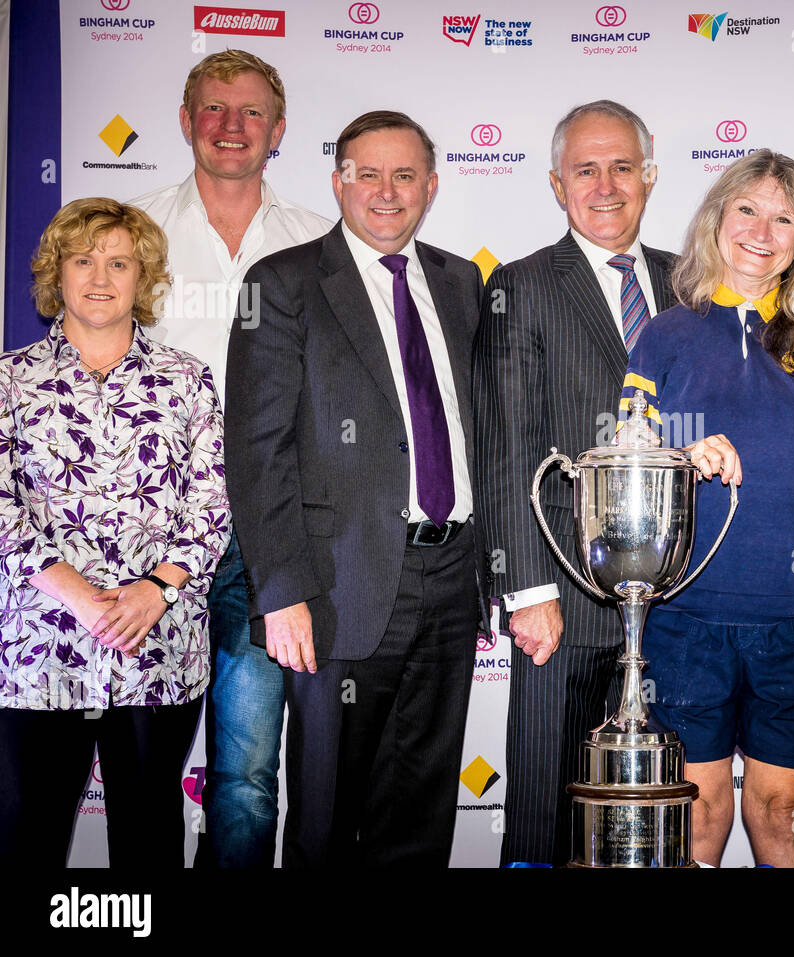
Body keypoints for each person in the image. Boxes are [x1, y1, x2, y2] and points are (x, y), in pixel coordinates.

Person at [225, 111, 482, 867]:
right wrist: (280, 591)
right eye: (368, 174)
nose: (387, 192)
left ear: (431, 186)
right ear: (339, 183)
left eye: (405, 175)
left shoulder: (461, 282)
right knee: (327, 814)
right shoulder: (283, 282)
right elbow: (257, 450)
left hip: (451, 575)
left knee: (421, 808)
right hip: (337, 585)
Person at [130, 49, 332, 868]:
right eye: (214, 108)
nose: (231, 126)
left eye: (252, 112)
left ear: (278, 132)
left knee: (246, 773)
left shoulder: (317, 240)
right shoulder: (132, 232)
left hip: (266, 533)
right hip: (150, 535)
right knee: (140, 770)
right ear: (186, 122)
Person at [618, 150, 794, 866]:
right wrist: (680, 454)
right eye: (746, 210)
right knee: (699, 815)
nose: (761, 232)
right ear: (716, 219)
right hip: (687, 621)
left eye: (784, 219)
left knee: (783, 816)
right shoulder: (663, 335)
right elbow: (625, 472)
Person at [474, 100, 677, 867]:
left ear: (649, 175)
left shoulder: (691, 281)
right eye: (585, 170)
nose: (606, 185)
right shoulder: (521, 285)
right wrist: (528, 589)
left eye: (622, 167)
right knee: (546, 801)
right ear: (557, 184)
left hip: (678, 597)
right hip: (563, 587)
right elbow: (506, 445)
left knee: (653, 808)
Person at [0, 197, 230, 866]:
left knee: (149, 838)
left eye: (119, 263)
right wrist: (76, 594)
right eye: (83, 260)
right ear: (57, 272)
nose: (100, 278)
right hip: (41, 652)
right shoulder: (10, 380)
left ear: (143, 277)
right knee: (26, 835)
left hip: (157, 648)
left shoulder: (187, 381)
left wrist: (158, 589)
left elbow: (212, 502)